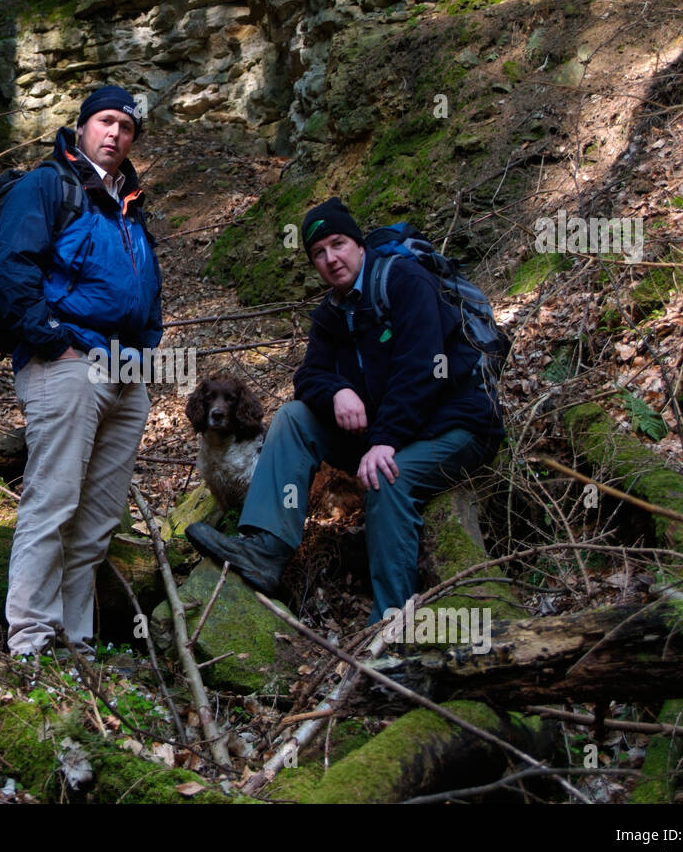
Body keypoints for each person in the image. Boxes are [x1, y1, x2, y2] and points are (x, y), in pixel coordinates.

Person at [185, 197, 503, 624]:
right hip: (387, 431)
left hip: (457, 425)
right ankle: (266, 547)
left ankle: (391, 620)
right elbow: (308, 377)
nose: (331, 259)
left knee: (389, 477)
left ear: (358, 244)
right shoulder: (332, 313)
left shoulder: (405, 281)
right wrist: (336, 391)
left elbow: (425, 369)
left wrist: (385, 441)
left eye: (338, 244)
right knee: (293, 418)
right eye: (319, 252)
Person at [0, 85, 161, 656]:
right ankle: (32, 639)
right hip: (66, 365)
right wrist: (55, 344)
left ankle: (76, 642)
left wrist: (147, 348)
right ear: (83, 126)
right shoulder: (49, 185)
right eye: (105, 121)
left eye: (126, 126)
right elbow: (12, 269)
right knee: (53, 502)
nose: (115, 134)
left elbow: (146, 291)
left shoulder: (130, 201)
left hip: (125, 375)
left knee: (98, 518)